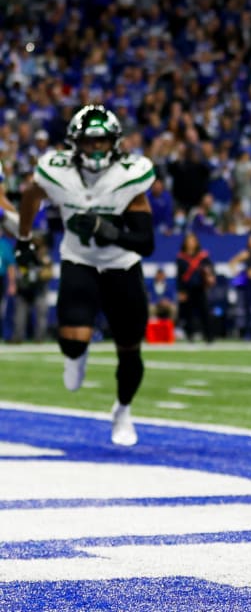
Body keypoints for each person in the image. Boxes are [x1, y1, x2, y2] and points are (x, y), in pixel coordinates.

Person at [16, 105, 156, 445]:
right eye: (90, 143)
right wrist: (23, 238)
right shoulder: (55, 170)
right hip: (79, 261)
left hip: (121, 266)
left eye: (103, 142)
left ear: (115, 143)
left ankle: (123, 411)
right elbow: (30, 196)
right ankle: (77, 354)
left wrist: (109, 231)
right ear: (76, 144)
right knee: (72, 344)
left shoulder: (130, 175)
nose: (97, 149)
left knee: (129, 349)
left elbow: (146, 243)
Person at [12, 233, 53, 342]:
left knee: (41, 313)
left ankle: (40, 337)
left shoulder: (44, 255)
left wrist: (41, 272)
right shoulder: (22, 252)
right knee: (20, 315)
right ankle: (18, 337)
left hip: (39, 288)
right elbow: (17, 267)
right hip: (24, 287)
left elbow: (48, 273)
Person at [176, 232, 215, 343]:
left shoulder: (203, 256)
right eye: (189, 241)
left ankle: (209, 336)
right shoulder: (181, 258)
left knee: (205, 312)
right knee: (188, 314)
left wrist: (210, 276)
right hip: (188, 288)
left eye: (193, 241)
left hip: (200, 287)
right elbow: (179, 276)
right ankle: (190, 335)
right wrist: (181, 291)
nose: (191, 243)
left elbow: (210, 269)